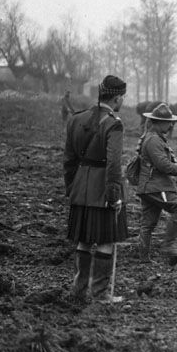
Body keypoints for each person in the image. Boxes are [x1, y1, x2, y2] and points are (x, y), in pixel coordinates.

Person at [63, 75, 129, 305]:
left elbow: (69, 160)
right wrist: (113, 197)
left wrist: (72, 188)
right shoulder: (114, 123)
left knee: (82, 240)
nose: (122, 102)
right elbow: (113, 165)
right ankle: (101, 294)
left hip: (80, 188)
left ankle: (79, 290)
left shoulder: (75, 119)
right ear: (117, 98)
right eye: (122, 98)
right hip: (102, 190)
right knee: (105, 241)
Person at [134, 103, 177, 261]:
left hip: (148, 187)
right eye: (169, 122)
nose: (172, 124)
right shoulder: (154, 140)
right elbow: (163, 165)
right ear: (159, 122)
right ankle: (168, 246)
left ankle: (144, 258)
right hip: (156, 186)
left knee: (148, 223)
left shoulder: (152, 137)